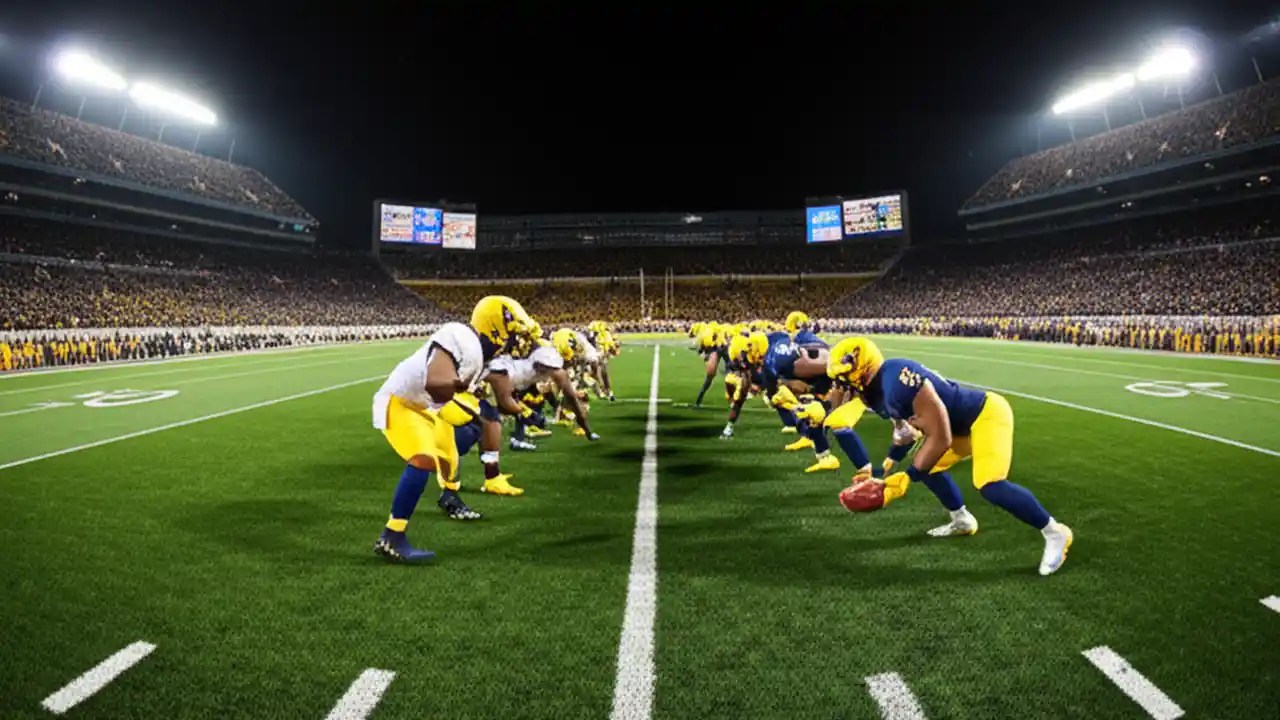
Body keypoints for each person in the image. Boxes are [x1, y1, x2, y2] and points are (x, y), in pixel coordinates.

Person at [827, 336, 1073, 576]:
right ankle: (962, 519)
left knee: (990, 485)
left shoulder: (897, 383)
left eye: (842, 380)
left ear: (862, 371)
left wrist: (906, 478)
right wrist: (882, 473)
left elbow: (941, 438)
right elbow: (906, 434)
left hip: (984, 415)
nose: (839, 387)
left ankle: (1055, 532)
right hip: (958, 428)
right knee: (929, 468)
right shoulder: (879, 391)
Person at [370, 295, 537, 564]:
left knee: (449, 457)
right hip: (401, 401)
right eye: (512, 335)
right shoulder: (460, 335)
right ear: (496, 328)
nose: (513, 343)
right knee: (423, 458)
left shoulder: (478, 355)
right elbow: (437, 382)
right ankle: (392, 537)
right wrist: (458, 387)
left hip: (427, 406)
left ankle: (450, 498)